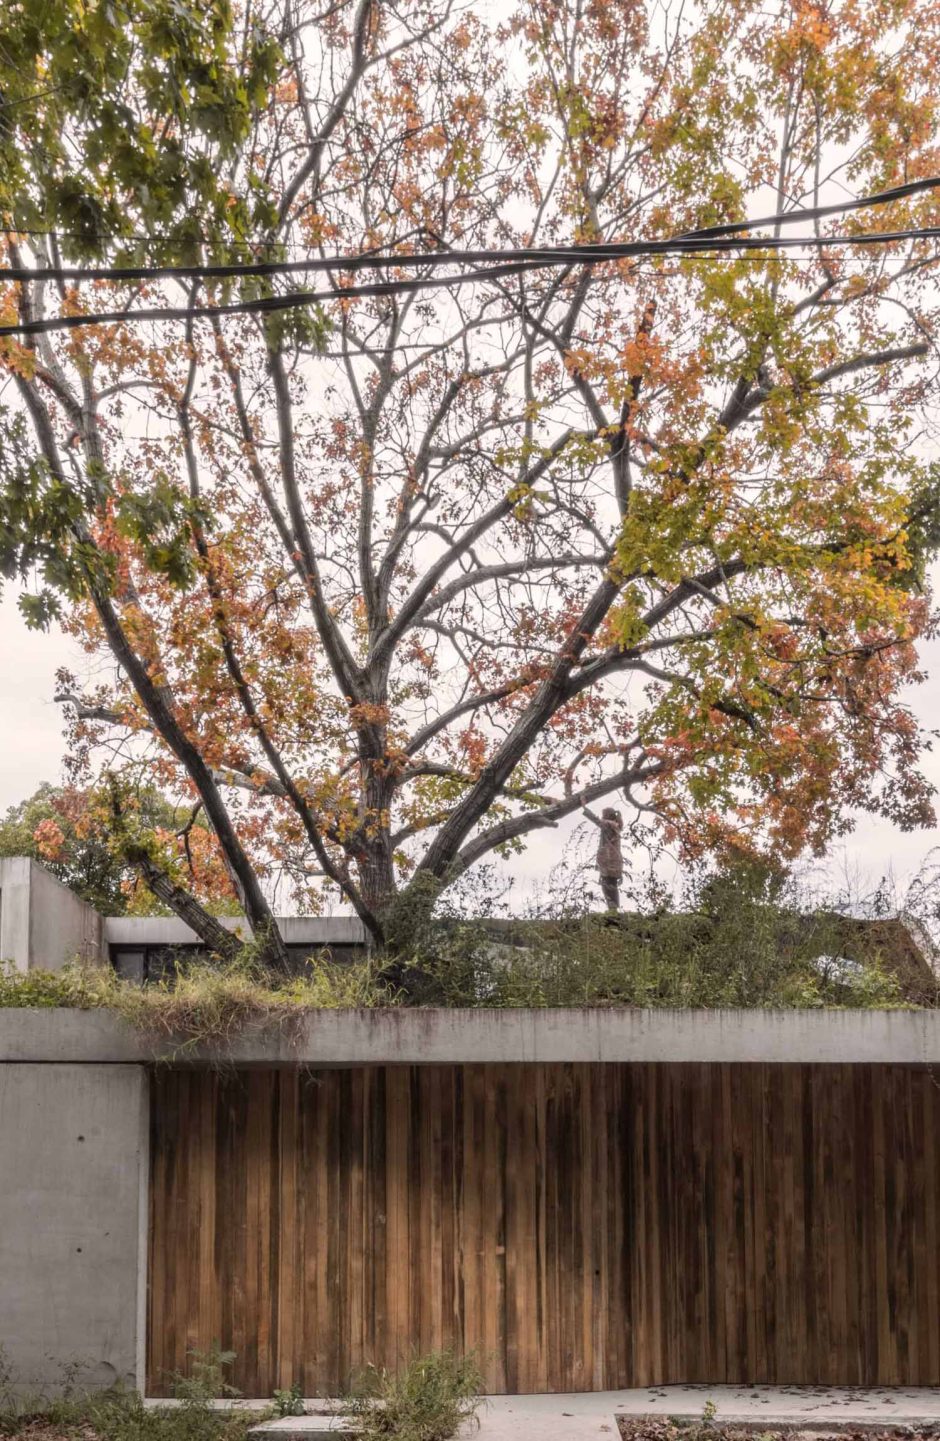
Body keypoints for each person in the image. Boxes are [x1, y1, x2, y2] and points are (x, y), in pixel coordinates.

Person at [582, 804, 624, 912]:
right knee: (611, 885)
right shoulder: (615, 826)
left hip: (609, 861)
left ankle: (612, 908)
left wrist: (584, 807)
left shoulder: (609, 825)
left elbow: (597, 820)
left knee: (607, 886)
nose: (602, 817)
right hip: (613, 862)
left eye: (603, 815)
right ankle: (613, 908)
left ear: (608, 816)